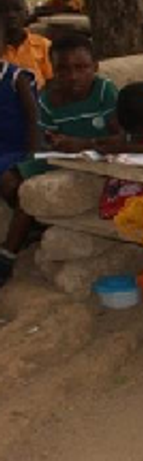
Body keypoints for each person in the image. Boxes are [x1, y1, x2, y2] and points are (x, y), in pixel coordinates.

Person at [1, 35, 118, 273]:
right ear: (53, 69)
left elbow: (122, 138)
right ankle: (31, 230)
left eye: (81, 67)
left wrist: (84, 143)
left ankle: (7, 255)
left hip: (103, 156)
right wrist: (56, 143)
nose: (73, 76)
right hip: (64, 158)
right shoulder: (48, 99)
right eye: (63, 69)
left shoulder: (105, 91)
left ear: (95, 67)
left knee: (30, 195)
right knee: (11, 181)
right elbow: (47, 137)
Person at [0, 49, 36, 288]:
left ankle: (7, 255)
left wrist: (31, 159)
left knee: (11, 183)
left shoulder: (17, 78)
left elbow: (35, 120)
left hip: (17, 149)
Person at [0, 0, 53, 87]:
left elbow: (51, 84)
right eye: (2, 10)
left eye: (17, 9)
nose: (11, 15)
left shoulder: (43, 46)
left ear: (27, 11)